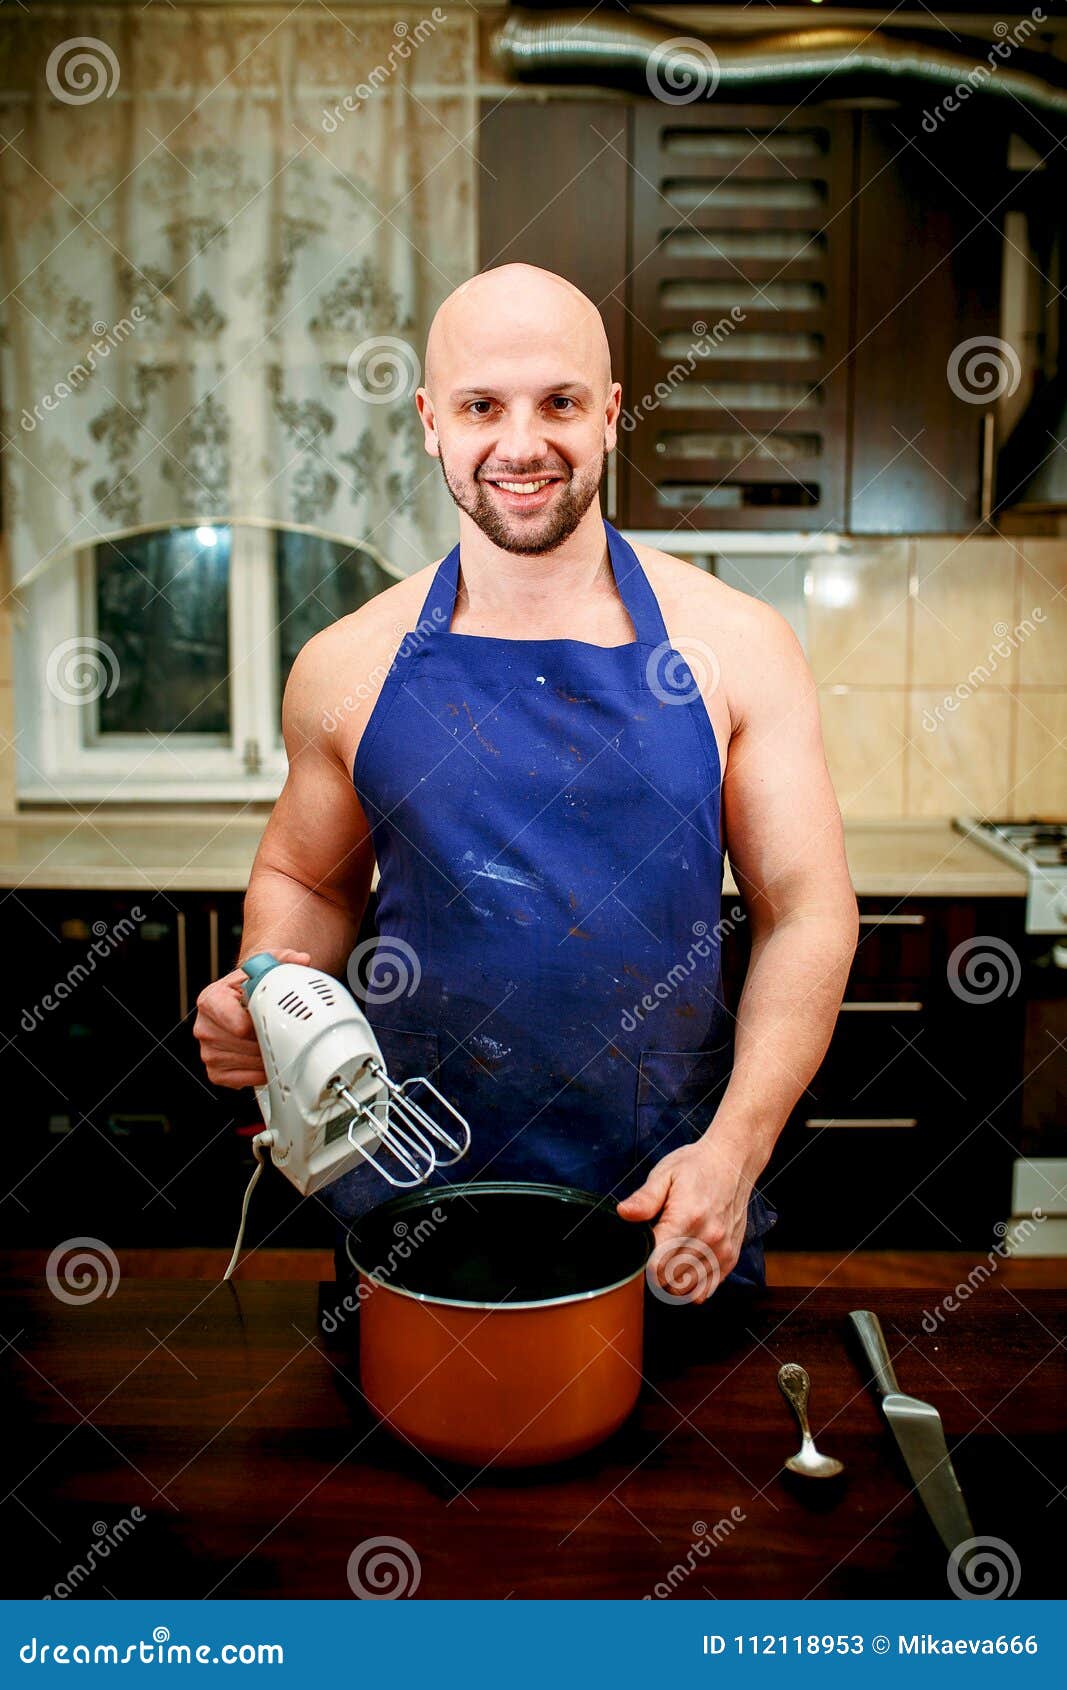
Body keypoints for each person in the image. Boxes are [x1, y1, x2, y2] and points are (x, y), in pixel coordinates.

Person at [195, 263, 858, 1301]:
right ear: (428, 421)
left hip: (663, 1202)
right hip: (411, 1202)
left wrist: (732, 1153)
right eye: (479, 406)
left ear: (608, 415)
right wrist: (268, 990)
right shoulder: (345, 663)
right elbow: (309, 878)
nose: (519, 443)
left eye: (557, 402)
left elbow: (807, 912)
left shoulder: (735, 644)